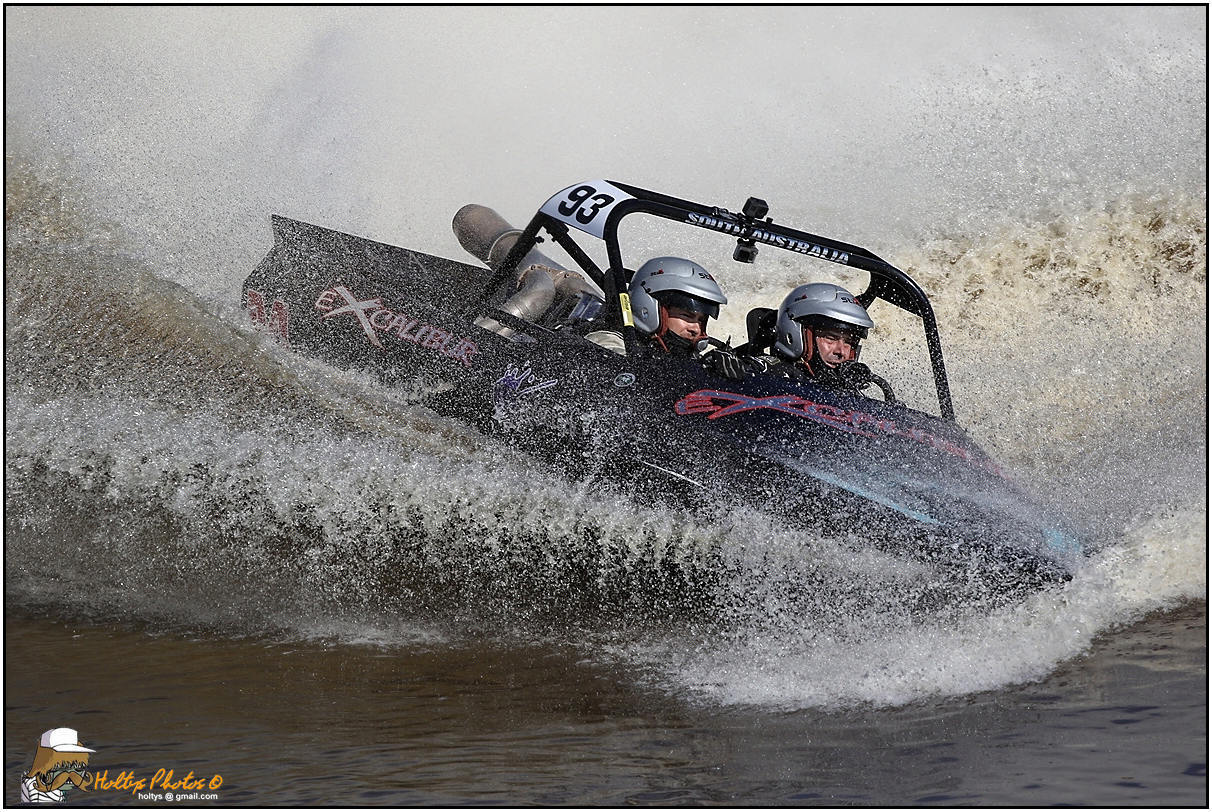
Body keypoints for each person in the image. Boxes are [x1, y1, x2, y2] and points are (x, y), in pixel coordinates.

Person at [769, 282, 877, 389]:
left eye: (848, 342)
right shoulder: (768, 374)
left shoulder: (848, 387)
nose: (841, 352)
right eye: (831, 338)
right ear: (797, 333)